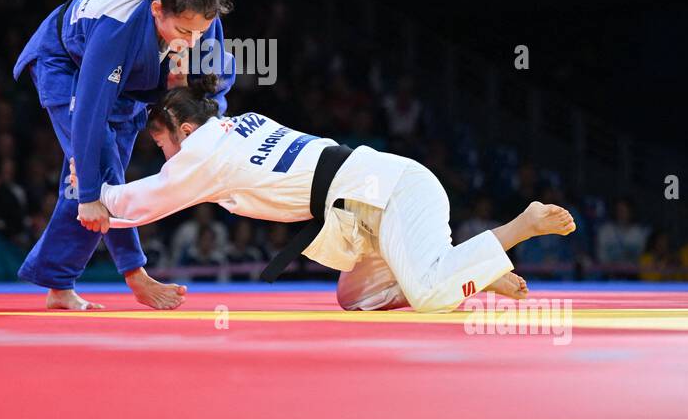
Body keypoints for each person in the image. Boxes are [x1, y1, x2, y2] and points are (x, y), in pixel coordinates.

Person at [89, 80, 576, 313]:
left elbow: (143, 202)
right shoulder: (238, 124)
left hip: (393, 193)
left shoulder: (201, 153)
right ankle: (469, 269)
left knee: (428, 297)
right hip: (367, 202)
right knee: (355, 297)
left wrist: (91, 191)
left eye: (160, 144)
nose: (163, 155)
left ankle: (517, 229)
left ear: (186, 130)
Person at [12, 0, 236, 310]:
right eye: (183, 32)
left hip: (135, 80)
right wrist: (87, 194)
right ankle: (136, 275)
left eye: (198, 32)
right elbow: (88, 114)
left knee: (93, 174)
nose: (192, 40)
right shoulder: (116, 29)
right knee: (99, 170)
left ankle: (58, 283)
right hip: (66, 63)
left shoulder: (199, 17)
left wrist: (207, 134)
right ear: (157, 9)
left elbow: (212, 91)